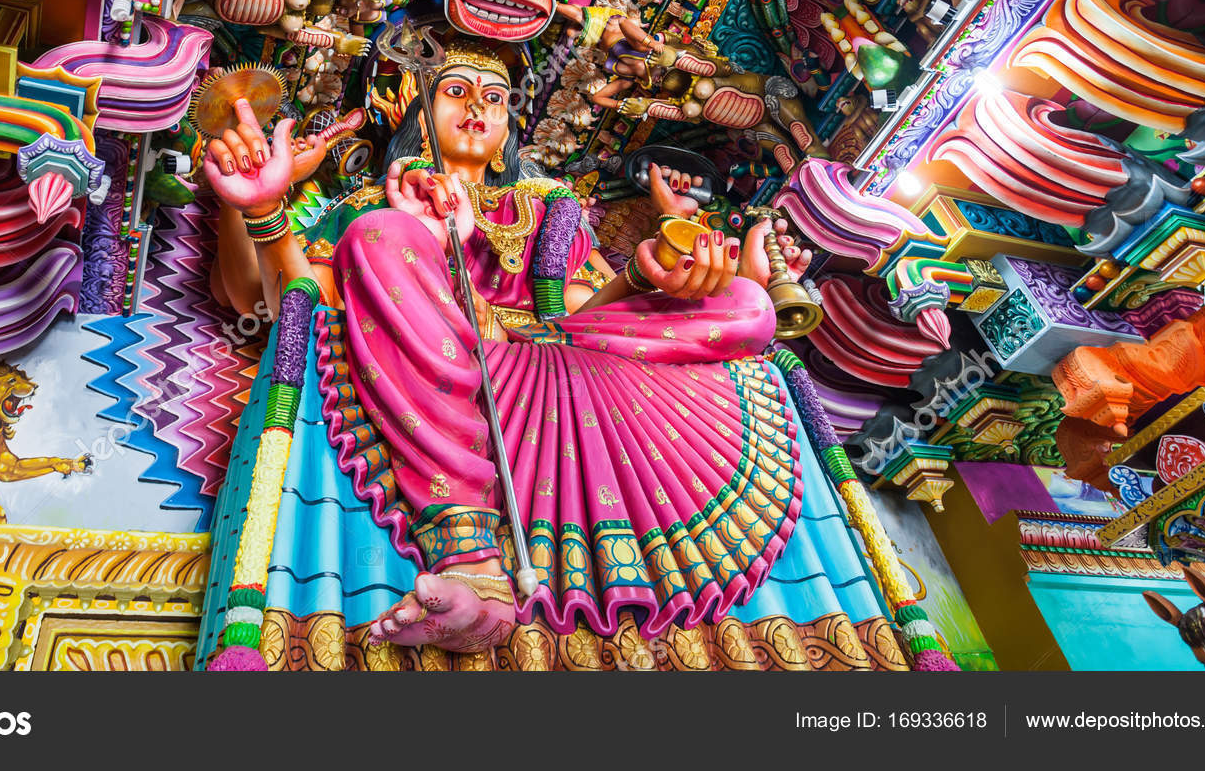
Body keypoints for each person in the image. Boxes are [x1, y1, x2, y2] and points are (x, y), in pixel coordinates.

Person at [203, 40, 812, 651]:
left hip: (562, 353)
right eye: (455, 92)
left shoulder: (548, 204)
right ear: (420, 118)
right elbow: (280, 302)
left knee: (749, 307)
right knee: (379, 234)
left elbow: (584, 319)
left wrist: (650, 276)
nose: (477, 109)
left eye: (495, 99)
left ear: (508, 132)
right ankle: (471, 559)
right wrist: (260, 210)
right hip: (447, 362)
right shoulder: (369, 205)